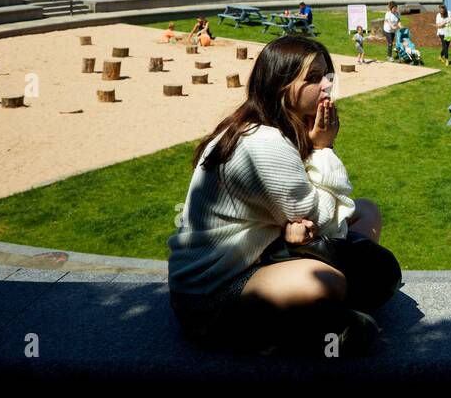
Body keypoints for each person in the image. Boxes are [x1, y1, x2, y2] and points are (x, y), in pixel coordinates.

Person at [167, 36, 402, 356]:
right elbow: (326, 224)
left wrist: (294, 228)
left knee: (367, 211)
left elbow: (314, 216)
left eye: (328, 77)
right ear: (281, 86)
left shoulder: (270, 127)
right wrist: (324, 149)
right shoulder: (263, 142)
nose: (327, 87)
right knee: (324, 282)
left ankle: (330, 311)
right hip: (214, 293)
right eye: (313, 79)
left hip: (263, 253)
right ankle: (299, 332)